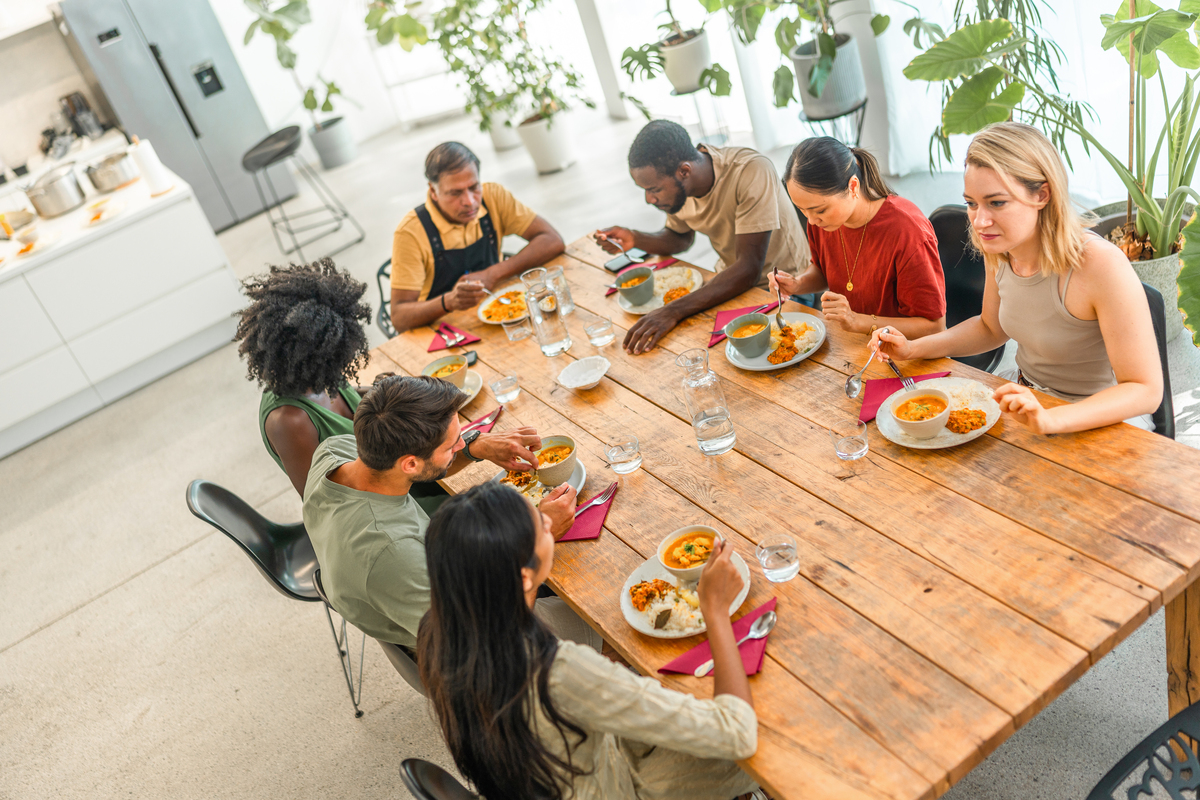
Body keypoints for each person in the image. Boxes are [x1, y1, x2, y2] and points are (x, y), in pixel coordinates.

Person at [419, 481, 760, 800]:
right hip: (613, 784)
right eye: (539, 522)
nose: (549, 522)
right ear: (524, 577)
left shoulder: (440, 630)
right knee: (765, 742)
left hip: (560, 771)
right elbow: (737, 734)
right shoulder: (557, 671)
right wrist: (714, 611)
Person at [870, 122, 1161, 434]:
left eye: (997, 202)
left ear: (1042, 195)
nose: (980, 221)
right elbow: (990, 328)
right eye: (971, 203)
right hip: (1026, 399)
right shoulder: (1001, 247)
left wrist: (1052, 419)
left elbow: (1144, 390)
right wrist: (913, 349)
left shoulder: (1101, 265)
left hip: (1099, 420)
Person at [303, 375, 601, 653]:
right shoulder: (389, 552)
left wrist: (476, 446)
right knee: (602, 616)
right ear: (410, 464)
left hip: (441, 582)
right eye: (452, 444)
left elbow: (419, 468)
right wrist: (541, 534)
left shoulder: (336, 450)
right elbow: (489, 638)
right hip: (477, 643)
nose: (462, 443)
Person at [595, 119, 810, 355]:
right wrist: (634, 238)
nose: (650, 200)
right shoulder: (681, 187)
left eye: (654, 189)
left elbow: (749, 269)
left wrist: (671, 311)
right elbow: (680, 238)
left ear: (684, 171)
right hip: (731, 283)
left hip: (787, 291)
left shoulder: (750, 170)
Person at [235, 258, 404, 499]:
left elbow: (344, 399)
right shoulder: (289, 421)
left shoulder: (320, 373)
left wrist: (381, 390)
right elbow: (325, 500)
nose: (347, 361)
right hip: (371, 508)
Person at [770, 137, 946, 339]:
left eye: (819, 210)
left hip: (903, 350)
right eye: (802, 210)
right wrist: (798, 284)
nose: (811, 221)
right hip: (851, 341)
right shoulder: (823, 223)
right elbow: (824, 270)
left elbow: (934, 327)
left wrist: (856, 321)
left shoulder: (908, 232)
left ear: (853, 186)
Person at [390, 142, 565, 333]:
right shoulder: (411, 232)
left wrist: (493, 274)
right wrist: (449, 300)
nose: (469, 201)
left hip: (504, 317)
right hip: (445, 333)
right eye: (455, 193)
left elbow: (552, 240)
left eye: (474, 187)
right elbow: (399, 317)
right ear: (433, 191)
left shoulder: (493, 197)